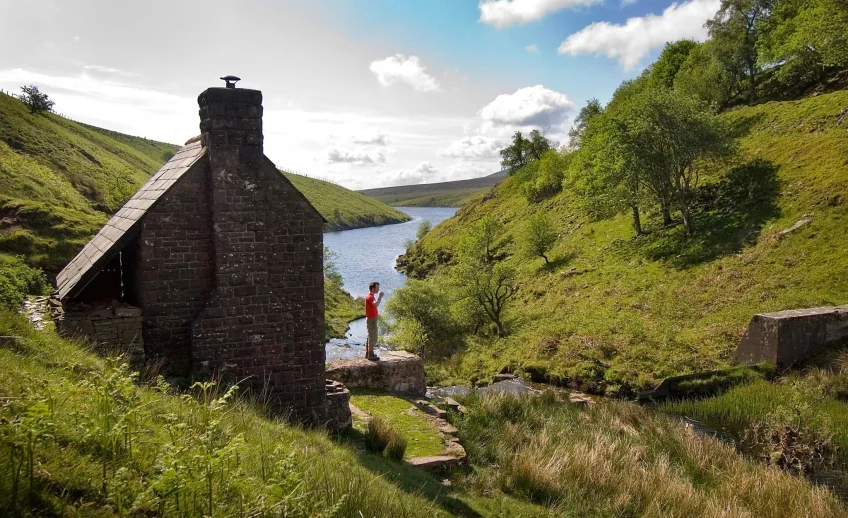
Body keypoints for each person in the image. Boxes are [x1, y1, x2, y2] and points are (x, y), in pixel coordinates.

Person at [364, 281, 384, 360]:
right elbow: (375, 304)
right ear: (373, 289)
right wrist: (380, 296)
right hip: (371, 320)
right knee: (373, 336)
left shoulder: (371, 296)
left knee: (370, 336)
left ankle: (368, 353)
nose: (378, 289)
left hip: (372, 319)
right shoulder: (370, 297)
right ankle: (370, 354)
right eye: (377, 287)